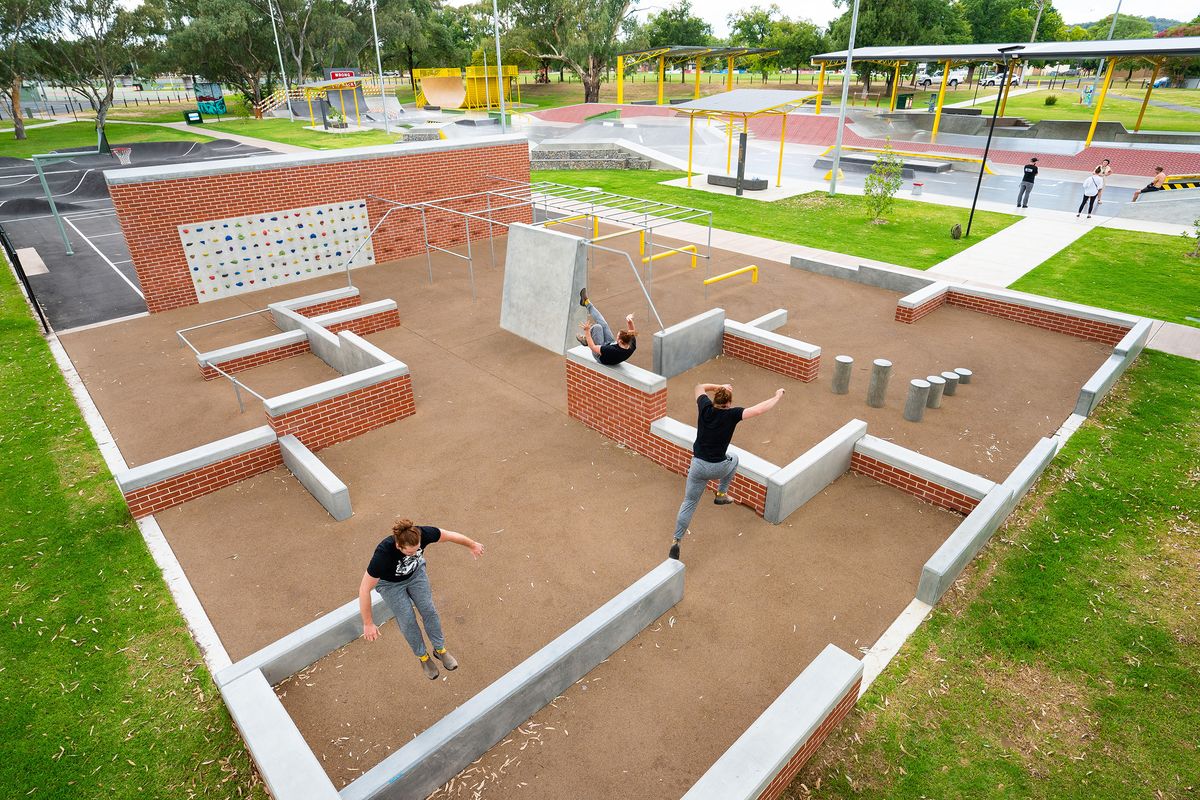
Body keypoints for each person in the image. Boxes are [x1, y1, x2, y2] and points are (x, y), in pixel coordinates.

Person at [669, 383, 785, 560]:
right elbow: (759, 410)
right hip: (719, 468)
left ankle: (676, 541)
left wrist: (718, 386)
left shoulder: (705, 407)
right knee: (734, 458)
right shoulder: (732, 414)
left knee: (689, 503)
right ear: (729, 403)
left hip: (698, 468)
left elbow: (699, 387)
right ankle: (721, 494)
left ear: (714, 401)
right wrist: (777, 396)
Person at [358, 518, 485, 680]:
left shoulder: (422, 533)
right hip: (390, 585)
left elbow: (449, 535)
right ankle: (423, 657)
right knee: (407, 619)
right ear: (398, 546)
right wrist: (368, 623)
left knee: (429, 610)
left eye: (417, 550)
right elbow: (364, 589)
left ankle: (440, 650)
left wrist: (472, 544)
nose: (414, 553)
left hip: (416, 574)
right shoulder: (383, 554)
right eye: (410, 552)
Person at [576, 287, 636, 366]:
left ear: (620, 341)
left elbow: (593, 347)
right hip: (610, 344)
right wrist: (630, 321)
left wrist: (587, 332)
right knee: (603, 324)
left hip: (599, 355)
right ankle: (586, 302)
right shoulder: (631, 344)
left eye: (617, 336)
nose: (616, 336)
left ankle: (586, 340)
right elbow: (632, 332)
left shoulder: (611, 350)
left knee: (597, 327)